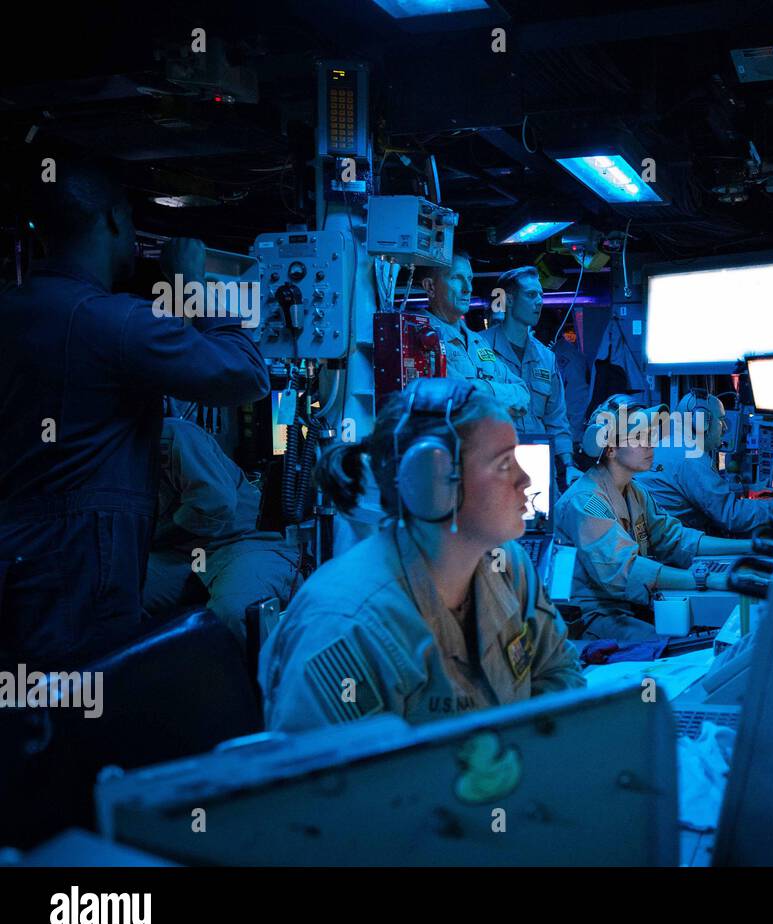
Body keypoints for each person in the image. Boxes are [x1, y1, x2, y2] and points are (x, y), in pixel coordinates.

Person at [0, 155, 269, 665]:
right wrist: (190, 286)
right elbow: (246, 374)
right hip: (83, 555)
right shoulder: (116, 324)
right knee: (88, 703)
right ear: (113, 221)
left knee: (28, 713)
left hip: (17, 550)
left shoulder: (12, 312)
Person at [259, 379, 584, 731]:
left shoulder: (508, 565)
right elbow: (339, 782)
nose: (525, 479)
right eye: (505, 464)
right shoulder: (344, 627)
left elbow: (558, 671)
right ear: (433, 480)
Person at [553, 395, 754, 644]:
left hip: (630, 608)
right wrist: (709, 580)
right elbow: (625, 572)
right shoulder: (585, 502)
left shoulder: (634, 491)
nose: (650, 444)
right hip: (593, 618)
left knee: (703, 635)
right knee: (674, 648)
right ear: (610, 448)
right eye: (638, 437)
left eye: (649, 435)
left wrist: (751, 547)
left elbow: (677, 539)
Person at [144, 417, 301, 640]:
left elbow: (215, 506)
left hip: (242, 545)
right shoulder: (110, 455)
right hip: (184, 553)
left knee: (235, 612)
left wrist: (152, 539)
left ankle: (249, 674)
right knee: (110, 593)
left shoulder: (173, 436)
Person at [480, 266, 580, 487]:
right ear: (511, 300)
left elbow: (557, 418)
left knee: (544, 522)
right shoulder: (479, 348)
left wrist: (568, 464)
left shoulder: (546, 358)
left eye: (541, 295)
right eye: (531, 294)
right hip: (495, 464)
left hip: (538, 466)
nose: (539, 302)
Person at [636, 391, 773, 536]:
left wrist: (745, 489)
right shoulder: (691, 457)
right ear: (701, 423)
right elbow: (731, 516)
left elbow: (698, 490)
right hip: (676, 549)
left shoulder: (667, 444)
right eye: (721, 420)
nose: (725, 428)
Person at [414, 253, 530, 414]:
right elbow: (460, 397)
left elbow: (523, 393)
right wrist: (501, 400)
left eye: (469, 279)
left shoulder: (478, 341)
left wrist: (486, 388)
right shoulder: (420, 338)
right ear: (430, 287)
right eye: (456, 278)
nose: (468, 288)